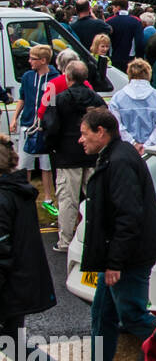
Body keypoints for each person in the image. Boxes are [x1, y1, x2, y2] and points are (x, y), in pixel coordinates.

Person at [79, 108, 156, 361]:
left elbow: (129, 216)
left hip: (130, 258)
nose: (80, 140)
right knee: (102, 317)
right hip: (120, 255)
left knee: (133, 316)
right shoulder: (113, 156)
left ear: (101, 132)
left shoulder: (120, 161)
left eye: (84, 133)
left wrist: (114, 263)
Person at [0, 134, 86, 361]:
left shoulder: (3, 199)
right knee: (13, 343)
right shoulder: (16, 192)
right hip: (18, 284)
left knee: (13, 343)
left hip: (9, 288)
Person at [43, 61, 107, 251]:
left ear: (68, 77)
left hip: (67, 155)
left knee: (67, 200)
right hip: (92, 155)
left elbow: (51, 126)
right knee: (96, 198)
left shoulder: (59, 99)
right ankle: (98, 237)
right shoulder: (96, 99)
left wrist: (52, 146)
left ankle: (65, 241)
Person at [15, 43, 56, 216]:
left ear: (43, 60)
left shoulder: (54, 77)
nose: (29, 61)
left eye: (33, 58)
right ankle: (24, 196)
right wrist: (14, 118)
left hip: (45, 128)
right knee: (25, 164)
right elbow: (22, 98)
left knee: (46, 165)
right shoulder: (27, 77)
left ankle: (48, 198)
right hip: (27, 125)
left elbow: (53, 104)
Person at [108, 58, 156, 155]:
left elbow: (116, 125)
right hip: (152, 153)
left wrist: (132, 143)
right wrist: (147, 145)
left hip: (125, 151)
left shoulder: (117, 98)